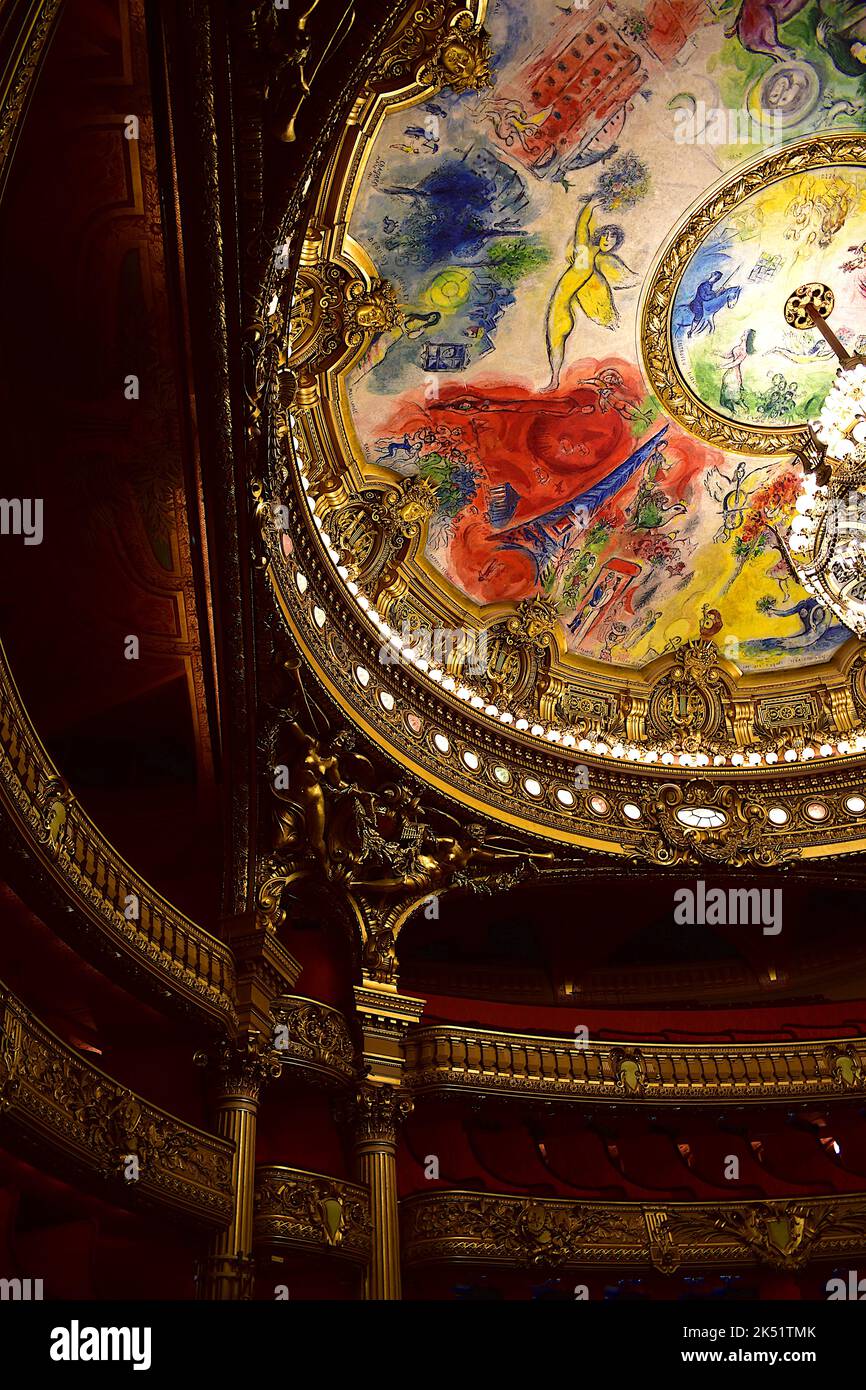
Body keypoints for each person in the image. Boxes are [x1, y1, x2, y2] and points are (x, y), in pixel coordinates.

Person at [544, 200, 637, 389]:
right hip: (561, 310)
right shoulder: (584, 255)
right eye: (606, 235)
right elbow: (581, 228)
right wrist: (590, 206)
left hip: (561, 310)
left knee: (555, 341)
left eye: (612, 240)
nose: (608, 240)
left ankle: (554, 380)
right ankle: (554, 379)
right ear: (600, 235)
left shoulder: (594, 261)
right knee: (555, 343)